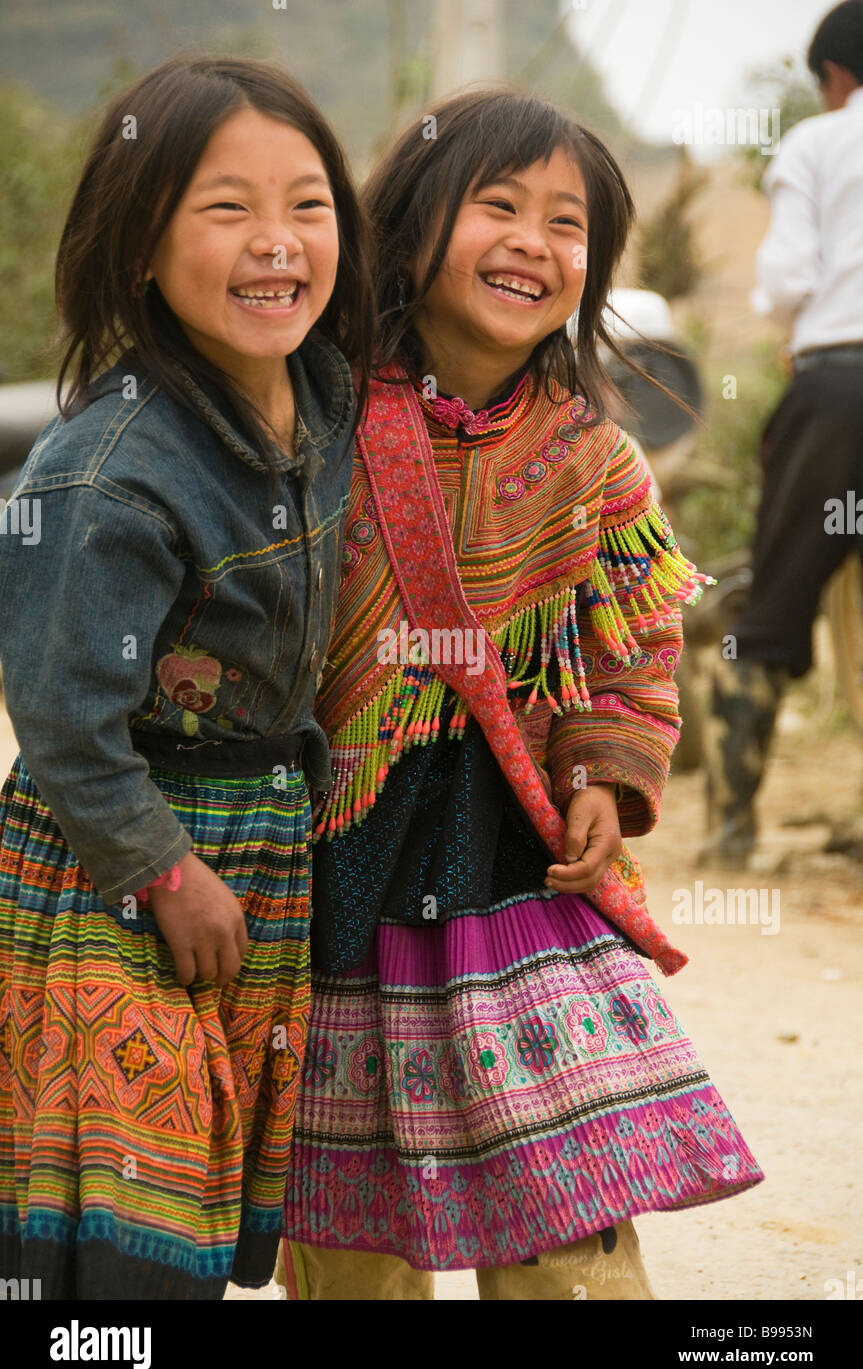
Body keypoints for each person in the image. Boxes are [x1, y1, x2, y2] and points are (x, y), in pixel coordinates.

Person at [279, 90, 764, 1301]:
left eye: (567, 225)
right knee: (351, 1235)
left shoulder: (591, 453)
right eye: (496, 206)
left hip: (511, 859)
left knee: (564, 1207)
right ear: (404, 230)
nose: (532, 243)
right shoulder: (310, 418)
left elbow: (635, 635)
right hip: (338, 867)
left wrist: (603, 770)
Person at [0, 55, 373, 1299]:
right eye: (226, 208)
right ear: (139, 237)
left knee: (192, 1220)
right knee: (114, 1241)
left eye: (306, 204)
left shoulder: (326, 401)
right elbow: (61, 712)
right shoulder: (105, 471)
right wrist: (163, 870)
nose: (276, 243)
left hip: (257, 855)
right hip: (119, 870)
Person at [702, 0, 863, 866]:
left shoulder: (819, 142)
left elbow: (787, 279)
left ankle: (730, 829)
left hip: (837, 388)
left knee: (770, 611)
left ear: (835, 76)